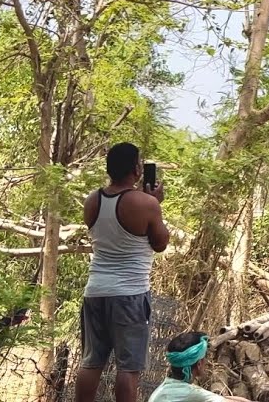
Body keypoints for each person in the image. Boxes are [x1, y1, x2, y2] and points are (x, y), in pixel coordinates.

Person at [74, 142, 170, 402]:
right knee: (128, 367)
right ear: (136, 169)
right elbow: (160, 243)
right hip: (130, 294)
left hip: (95, 291)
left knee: (91, 362)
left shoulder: (92, 200)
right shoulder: (146, 203)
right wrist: (155, 202)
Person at [149, 333, 250, 402]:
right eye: (205, 357)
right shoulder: (188, 393)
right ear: (199, 364)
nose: (207, 362)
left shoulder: (169, 387)